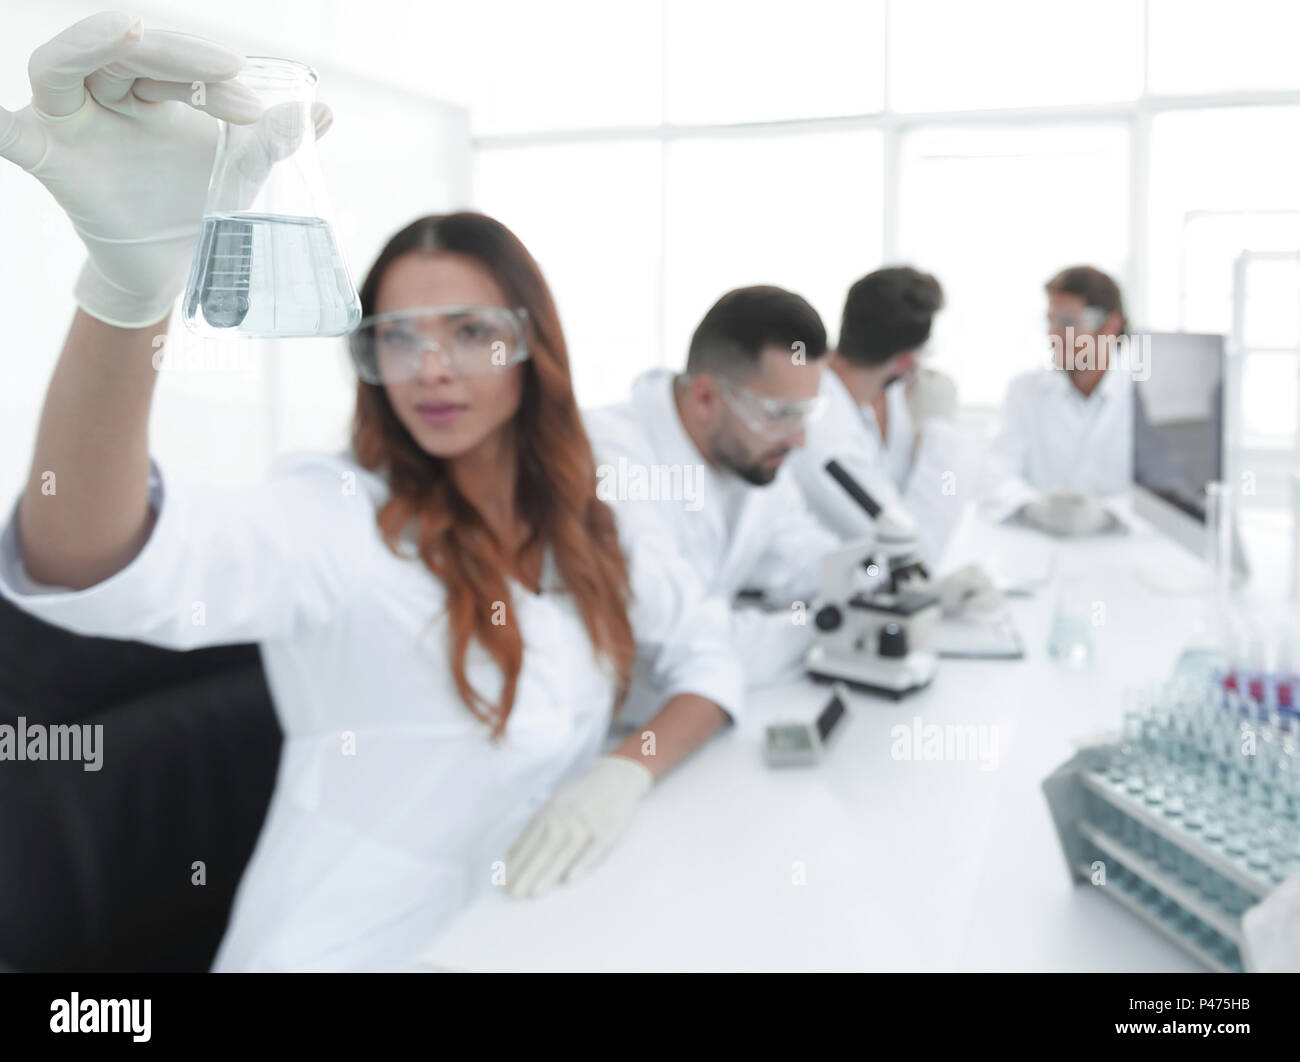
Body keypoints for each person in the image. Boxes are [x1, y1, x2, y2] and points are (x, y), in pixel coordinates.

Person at [0, 13, 744, 971]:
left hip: (518, 932)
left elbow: (708, 659)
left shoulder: (591, 511)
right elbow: (87, 553)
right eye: (397, 336)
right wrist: (126, 290)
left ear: (531, 347)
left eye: (469, 330)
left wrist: (623, 770)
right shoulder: (340, 518)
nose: (431, 366)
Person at [584, 285, 840, 704]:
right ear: (706, 397)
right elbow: (682, 638)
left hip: (710, 716)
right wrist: (830, 625)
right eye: (782, 414)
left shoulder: (753, 453)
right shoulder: (610, 460)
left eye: (806, 413)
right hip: (628, 729)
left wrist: (871, 576)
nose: (799, 439)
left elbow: (799, 556)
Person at [789, 266, 971, 570]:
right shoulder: (825, 433)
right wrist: (939, 431)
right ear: (905, 359)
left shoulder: (873, 402)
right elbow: (915, 553)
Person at [990, 265, 1134, 533]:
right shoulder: (1024, 390)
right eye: (1051, 321)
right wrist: (1032, 505)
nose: (1052, 335)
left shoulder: (1143, 399)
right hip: (1038, 546)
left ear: (1110, 325)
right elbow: (996, 471)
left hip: (1121, 552)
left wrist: (1108, 514)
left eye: (1068, 323)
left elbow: (1167, 495)